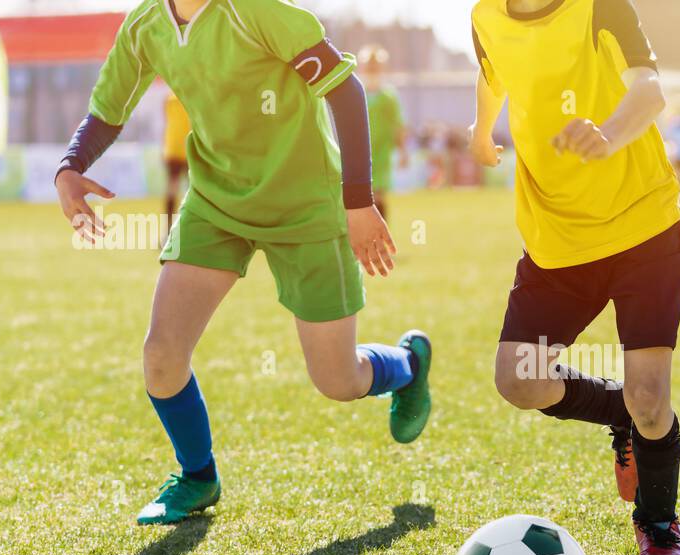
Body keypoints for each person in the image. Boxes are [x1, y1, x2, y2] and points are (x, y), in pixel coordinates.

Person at [54, 0, 432, 525]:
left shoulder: (258, 12)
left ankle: (409, 365)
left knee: (338, 381)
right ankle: (197, 476)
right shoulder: (145, 26)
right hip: (217, 202)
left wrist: (358, 202)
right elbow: (108, 111)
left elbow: (346, 91)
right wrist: (70, 166)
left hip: (305, 206)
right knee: (162, 357)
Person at [470, 0, 680, 555]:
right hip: (557, 242)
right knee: (519, 379)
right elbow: (492, 72)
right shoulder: (484, 17)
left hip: (644, 229)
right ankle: (622, 413)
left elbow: (649, 90)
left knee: (651, 401)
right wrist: (480, 130)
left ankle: (658, 524)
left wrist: (610, 134)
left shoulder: (600, 7)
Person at [358, 44, 407, 221]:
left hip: (381, 154)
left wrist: (403, 151)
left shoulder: (388, 96)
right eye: (368, 66)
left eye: (375, 66)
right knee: (360, 198)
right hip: (360, 153)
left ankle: (382, 238)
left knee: (377, 195)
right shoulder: (357, 92)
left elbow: (398, 125)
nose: (372, 70)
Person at [162, 88, 191, 232]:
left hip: (172, 149)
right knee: (193, 193)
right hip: (188, 151)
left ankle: (167, 231)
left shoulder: (169, 98)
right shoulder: (192, 97)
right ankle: (189, 230)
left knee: (172, 190)